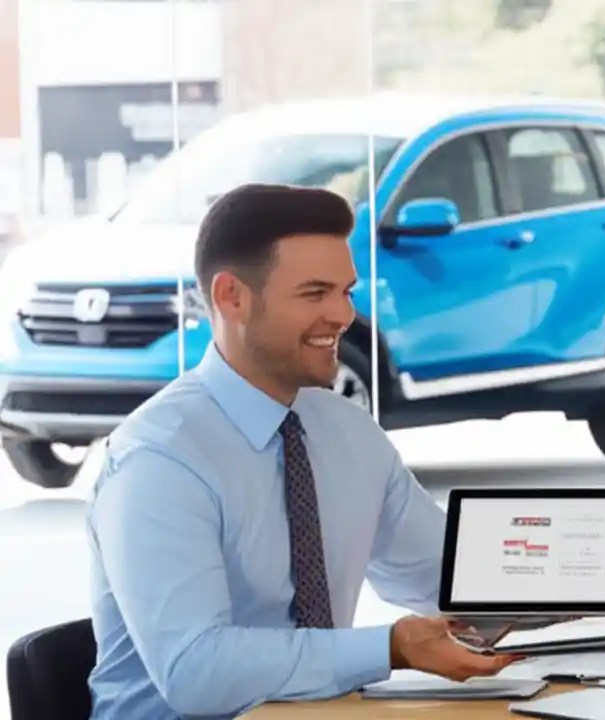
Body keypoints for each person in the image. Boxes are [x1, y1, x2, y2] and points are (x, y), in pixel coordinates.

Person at [85, 183, 516, 719]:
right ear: (231, 297)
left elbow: (449, 581)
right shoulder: (159, 460)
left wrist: (592, 581)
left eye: (346, 292)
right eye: (314, 294)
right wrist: (390, 646)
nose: (342, 316)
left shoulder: (344, 430)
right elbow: (196, 672)